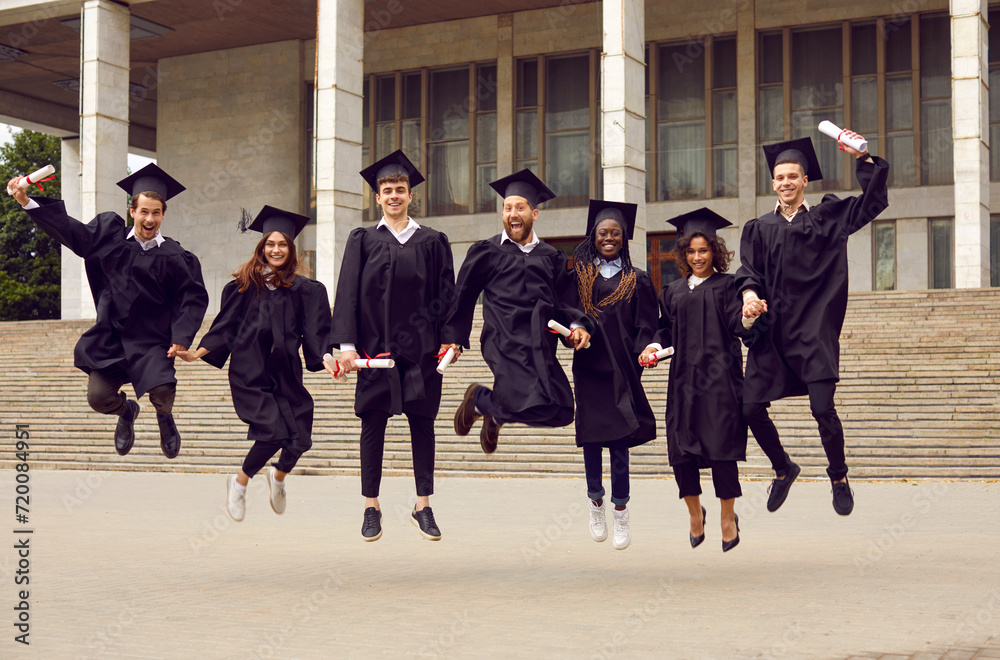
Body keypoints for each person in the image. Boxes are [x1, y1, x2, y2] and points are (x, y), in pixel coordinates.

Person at [7, 164, 208, 459]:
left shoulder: (177, 257)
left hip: (152, 341)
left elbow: (192, 296)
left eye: (156, 212)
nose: (149, 218)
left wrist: (181, 336)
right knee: (98, 398)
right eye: (143, 211)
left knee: (163, 392)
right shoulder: (109, 237)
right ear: (132, 211)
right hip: (111, 338)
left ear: (163, 214)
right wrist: (26, 201)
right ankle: (127, 412)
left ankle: (165, 418)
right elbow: (71, 231)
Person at [737, 133, 889, 516]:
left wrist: (864, 159)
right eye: (779, 177)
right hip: (771, 334)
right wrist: (749, 295)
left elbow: (872, 203)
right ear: (772, 183)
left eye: (793, 176)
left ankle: (838, 476)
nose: (785, 182)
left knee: (823, 409)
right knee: (750, 408)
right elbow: (748, 272)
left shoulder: (828, 218)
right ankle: (783, 468)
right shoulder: (758, 228)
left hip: (812, 332)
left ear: (805, 180)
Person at [328, 150, 455, 543]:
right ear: (377, 197)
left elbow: (446, 294)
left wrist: (450, 337)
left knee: (423, 426)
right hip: (374, 355)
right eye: (387, 190)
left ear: (411, 196)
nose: (394, 195)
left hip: (420, 353)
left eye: (401, 189)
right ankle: (371, 506)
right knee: (373, 426)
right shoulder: (363, 239)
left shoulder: (433, 241)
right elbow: (347, 291)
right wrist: (346, 345)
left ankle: (423, 504)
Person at [177, 206, 330, 522]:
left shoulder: (305, 291)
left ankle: (277, 478)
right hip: (251, 372)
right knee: (273, 432)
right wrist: (196, 353)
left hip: (286, 373)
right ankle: (240, 483)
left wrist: (327, 357)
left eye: (282, 245)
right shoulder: (243, 287)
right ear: (262, 248)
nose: (276, 250)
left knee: (301, 438)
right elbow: (225, 327)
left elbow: (316, 333)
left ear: (291, 250)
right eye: (270, 244)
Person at [441, 169, 592, 455]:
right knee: (520, 398)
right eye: (507, 208)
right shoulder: (486, 252)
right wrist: (453, 336)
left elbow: (565, 300)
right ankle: (481, 399)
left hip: (540, 342)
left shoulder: (552, 257)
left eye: (519, 207)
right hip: (504, 339)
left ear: (534, 214)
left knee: (561, 412)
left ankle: (489, 409)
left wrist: (577, 326)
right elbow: (463, 294)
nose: (512, 213)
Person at [640, 208, 749, 552]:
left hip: (721, 384)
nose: (698, 257)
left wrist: (748, 317)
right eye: (691, 251)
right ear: (683, 254)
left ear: (715, 251)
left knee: (722, 451)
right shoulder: (671, 291)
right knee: (681, 453)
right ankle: (693, 512)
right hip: (684, 383)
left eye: (704, 250)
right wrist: (654, 347)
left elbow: (738, 326)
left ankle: (728, 517)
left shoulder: (729, 286)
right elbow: (665, 328)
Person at [570, 200, 658, 551]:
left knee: (620, 442)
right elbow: (569, 313)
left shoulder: (637, 280)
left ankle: (620, 509)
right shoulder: (579, 276)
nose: (608, 238)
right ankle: (595, 502)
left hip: (623, 368)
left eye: (615, 233)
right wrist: (575, 329)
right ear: (594, 236)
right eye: (603, 233)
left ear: (624, 238)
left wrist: (648, 347)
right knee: (592, 438)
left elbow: (648, 324)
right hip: (590, 367)